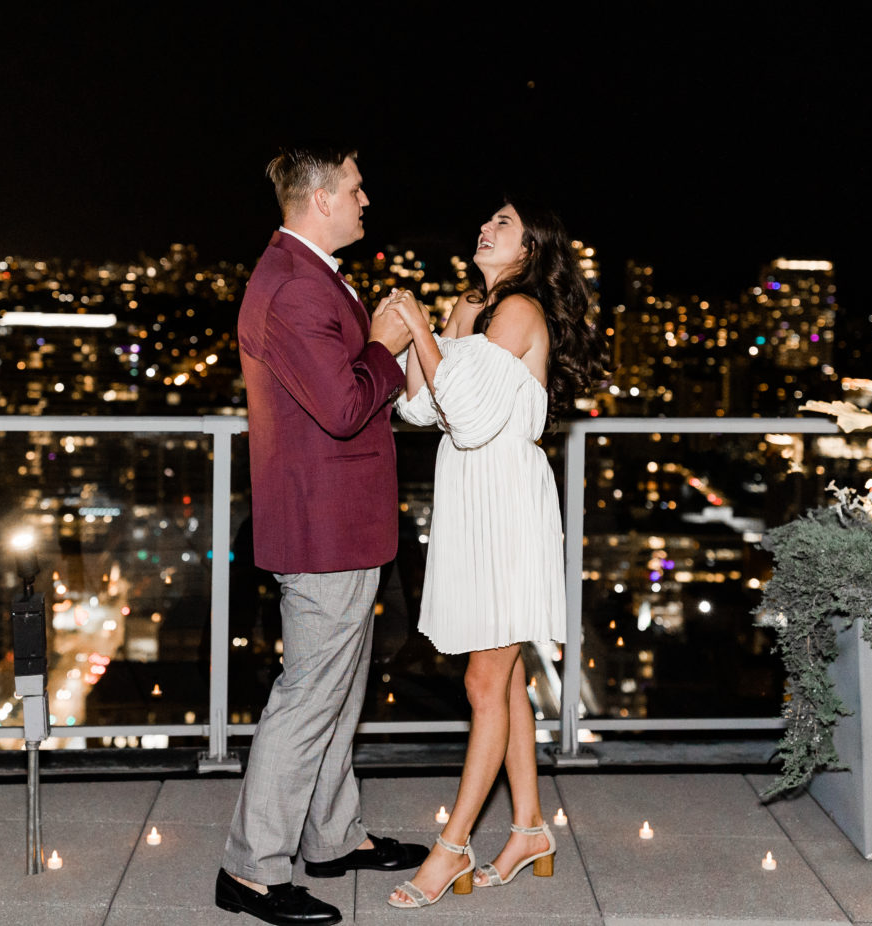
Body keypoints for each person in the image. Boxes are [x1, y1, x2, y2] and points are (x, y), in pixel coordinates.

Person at [216, 147, 428, 926]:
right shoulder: (296, 288)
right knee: (308, 698)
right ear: (318, 200)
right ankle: (251, 869)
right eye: (354, 188)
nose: (366, 198)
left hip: (340, 520)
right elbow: (343, 407)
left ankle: (333, 837)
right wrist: (386, 344)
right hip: (323, 525)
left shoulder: (310, 274)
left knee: (336, 693)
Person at [381, 199, 601, 909]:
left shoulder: (519, 313)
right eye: (486, 220)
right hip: (469, 496)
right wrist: (426, 334)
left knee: (483, 682)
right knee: (502, 682)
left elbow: (472, 419)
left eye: (504, 224)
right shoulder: (469, 307)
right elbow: (422, 409)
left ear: (532, 247)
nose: (486, 227)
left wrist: (421, 326)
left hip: (504, 497)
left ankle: (453, 847)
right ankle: (531, 827)